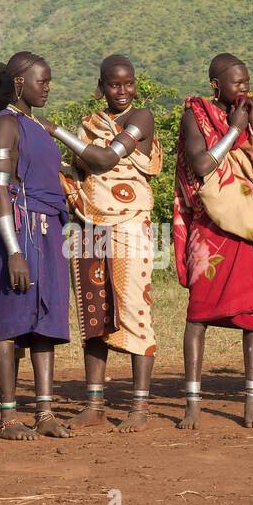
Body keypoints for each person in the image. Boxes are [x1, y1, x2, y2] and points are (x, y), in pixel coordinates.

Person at [58, 54, 162, 432]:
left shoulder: (142, 118)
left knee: (135, 308)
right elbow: (79, 171)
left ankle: (139, 407)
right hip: (87, 224)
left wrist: (53, 130)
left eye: (128, 83)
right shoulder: (88, 125)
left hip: (131, 225)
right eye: (114, 85)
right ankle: (95, 404)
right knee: (93, 312)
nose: (123, 91)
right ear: (100, 87)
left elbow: (101, 161)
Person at [172, 53, 253, 429]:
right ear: (216, 84)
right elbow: (201, 166)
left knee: (252, 317)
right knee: (198, 314)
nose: (244, 88)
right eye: (237, 82)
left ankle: (252, 398)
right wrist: (233, 130)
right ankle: (193, 402)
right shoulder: (195, 113)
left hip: (246, 228)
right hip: (209, 230)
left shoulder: (250, 119)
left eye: (247, 81)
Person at [0, 51, 74, 440]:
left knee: (45, 324)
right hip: (20, 232)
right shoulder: (5, 125)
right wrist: (13, 251)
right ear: (19, 82)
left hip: (48, 230)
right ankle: (7, 416)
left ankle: (44, 411)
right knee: (10, 320)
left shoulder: (36, 126)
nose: (48, 88)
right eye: (43, 81)